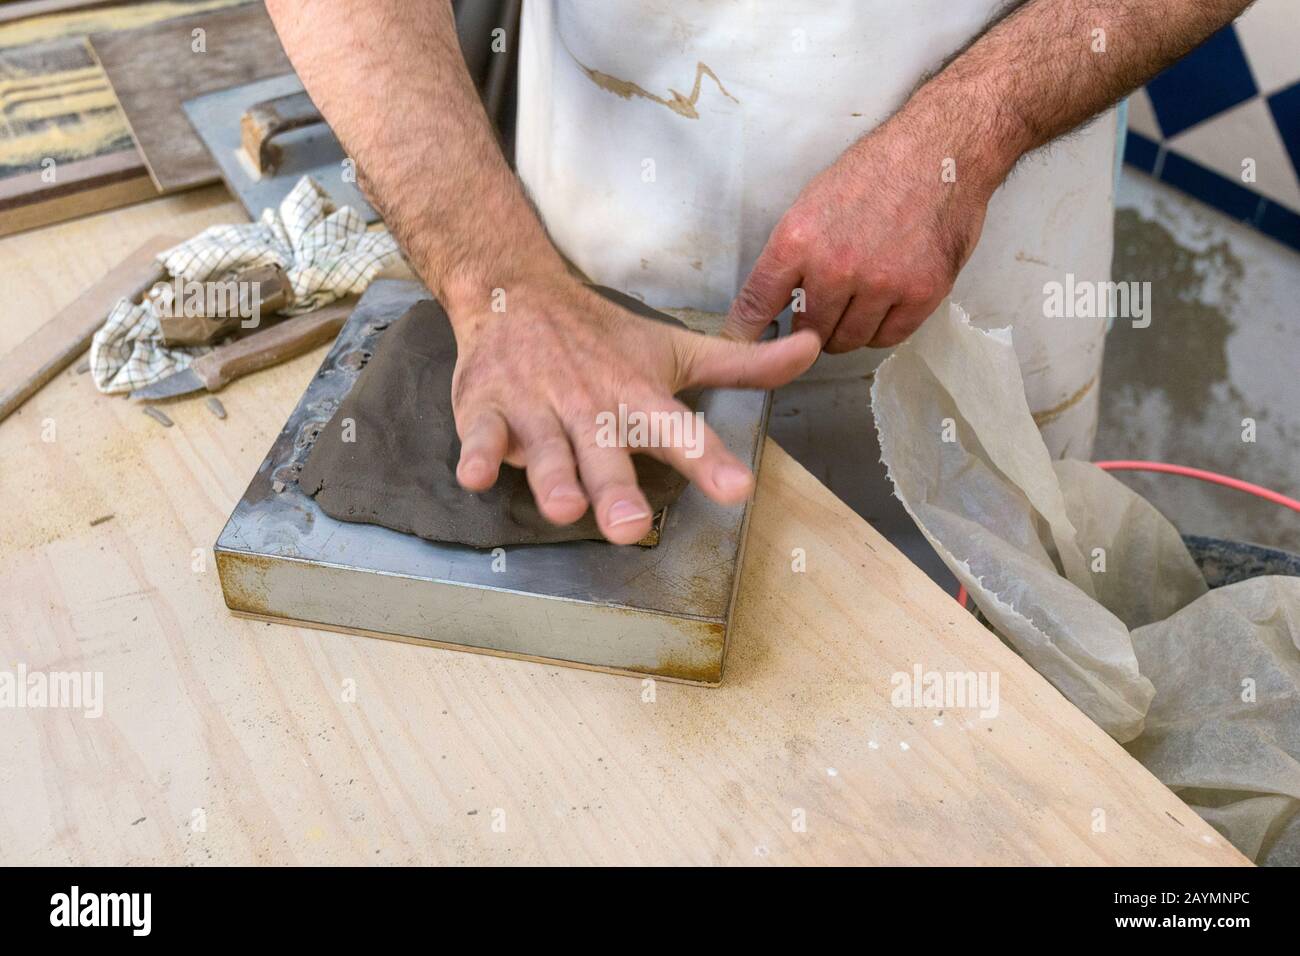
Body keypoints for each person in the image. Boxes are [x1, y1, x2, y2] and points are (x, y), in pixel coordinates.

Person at [267, 0, 1252, 544]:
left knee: (943, 718)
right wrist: (500, 281)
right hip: (583, 243)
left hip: (978, 278)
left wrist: (970, 131)